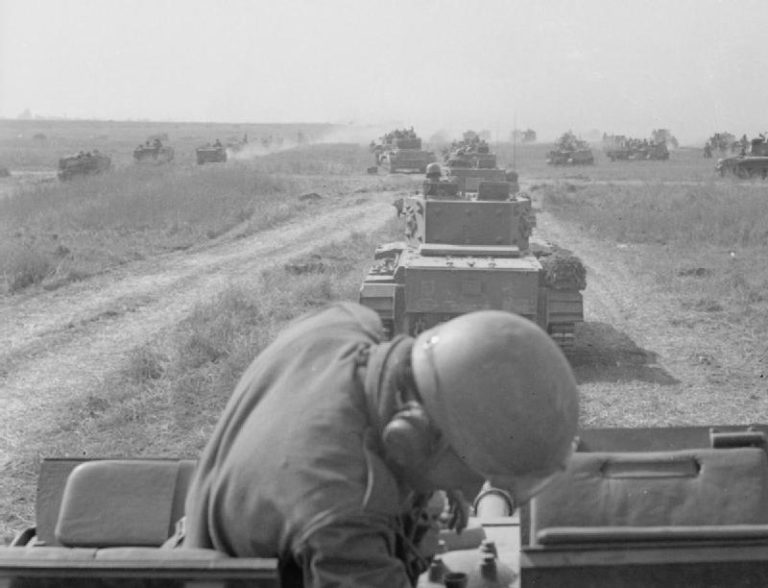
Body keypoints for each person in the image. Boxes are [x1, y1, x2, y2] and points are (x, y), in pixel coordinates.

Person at [183, 302, 579, 588]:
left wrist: (443, 479)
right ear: (412, 440)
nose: (474, 492)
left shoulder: (341, 324)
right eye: (474, 478)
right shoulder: (342, 515)